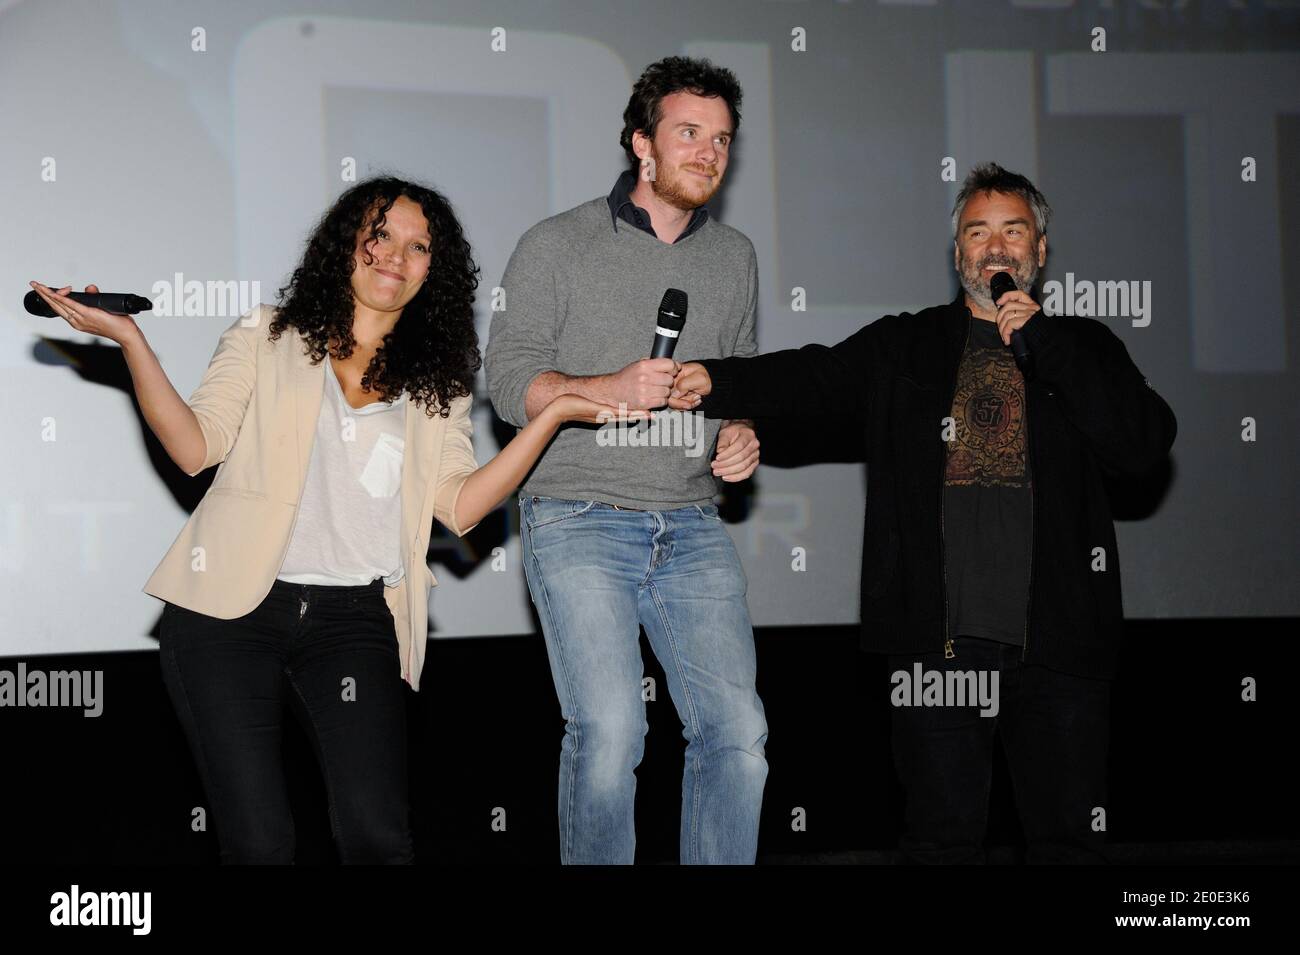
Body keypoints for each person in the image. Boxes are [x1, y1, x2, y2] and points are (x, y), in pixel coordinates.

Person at [30, 176, 629, 864]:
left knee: (377, 837)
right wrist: (132, 341)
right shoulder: (266, 335)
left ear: (434, 270)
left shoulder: (442, 382)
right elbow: (194, 448)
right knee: (261, 846)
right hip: (230, 617)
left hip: (354, 622)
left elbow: (459, 506)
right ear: (346, 243)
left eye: (417, 246)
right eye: (378, 235)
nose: (393, 257)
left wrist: (551, 415)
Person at [669, 162, 1178, 864]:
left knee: (1069, 842)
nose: (995, 247)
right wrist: (717, 379)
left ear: (1040, 249)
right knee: (940, 839)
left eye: (1013, 230)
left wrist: (1049, 345)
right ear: (959, 253)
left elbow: (1145, 444)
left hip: (1059, 649)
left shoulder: (1084, 347)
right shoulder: (905, 346)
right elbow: (813, 377)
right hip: (935, 645)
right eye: (978, 231)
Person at [484, 56, 768, 864]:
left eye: (721, 139)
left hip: (692, 522)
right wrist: (607, 387)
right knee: (611, 729)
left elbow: (737, 376)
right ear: (641, 143)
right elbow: (507, 381)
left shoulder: (734, 256)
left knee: (739, 733)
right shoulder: (555, 244)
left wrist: (738, 432)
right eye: (689, 133)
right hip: (577, 514)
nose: (708, 152)